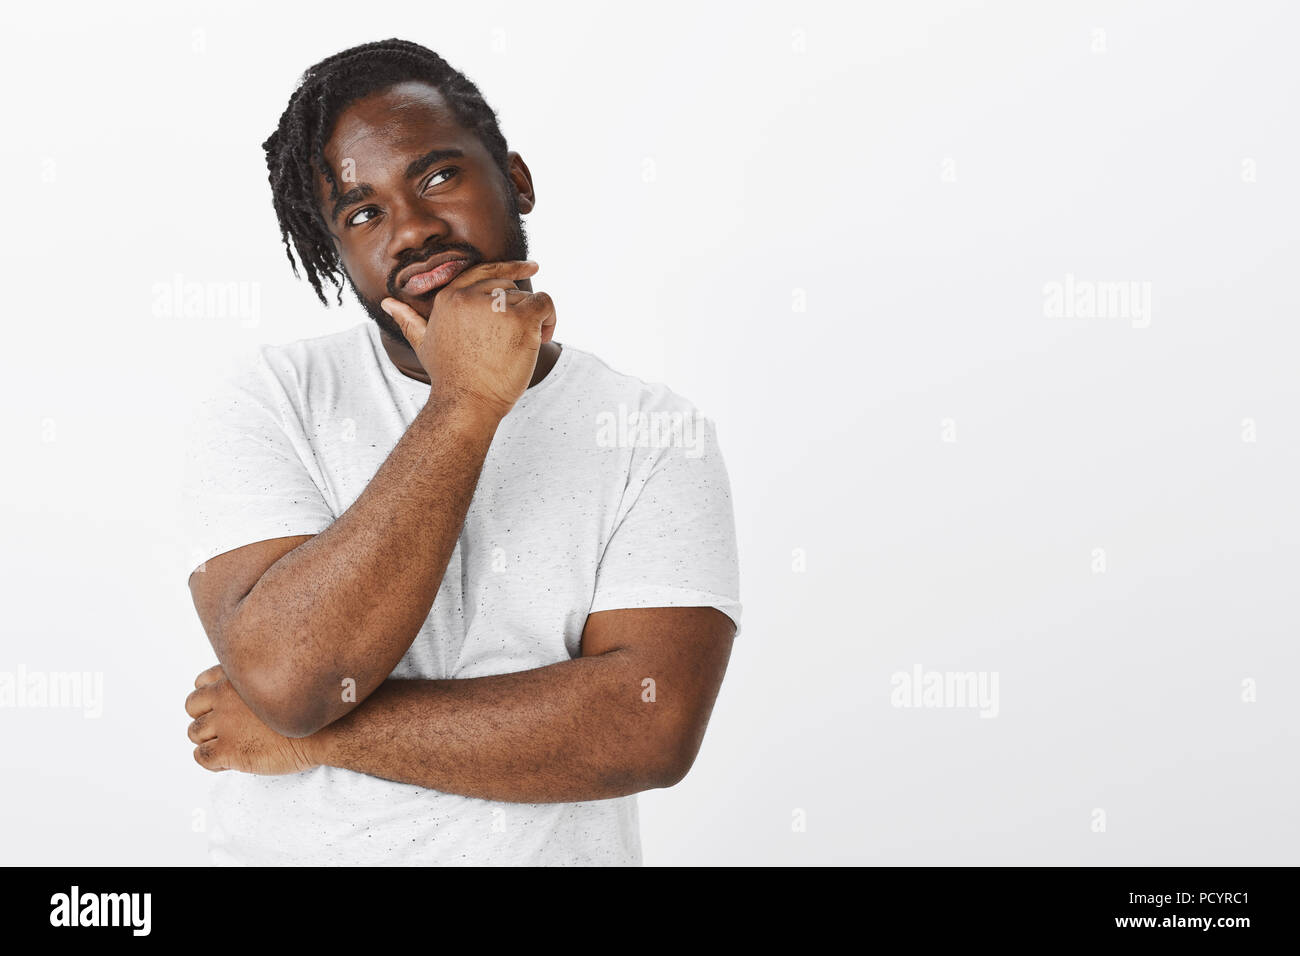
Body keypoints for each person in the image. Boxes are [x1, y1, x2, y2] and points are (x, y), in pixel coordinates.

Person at [180, 38, 742, 866]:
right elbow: (294, 677)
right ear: (335, 249)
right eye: (362, 212)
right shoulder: (271, 397)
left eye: (438, 176)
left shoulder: (655, 432)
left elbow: (645, 729)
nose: (412, 229)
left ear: (515, 179)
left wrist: (325, 736)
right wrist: (465, 402)